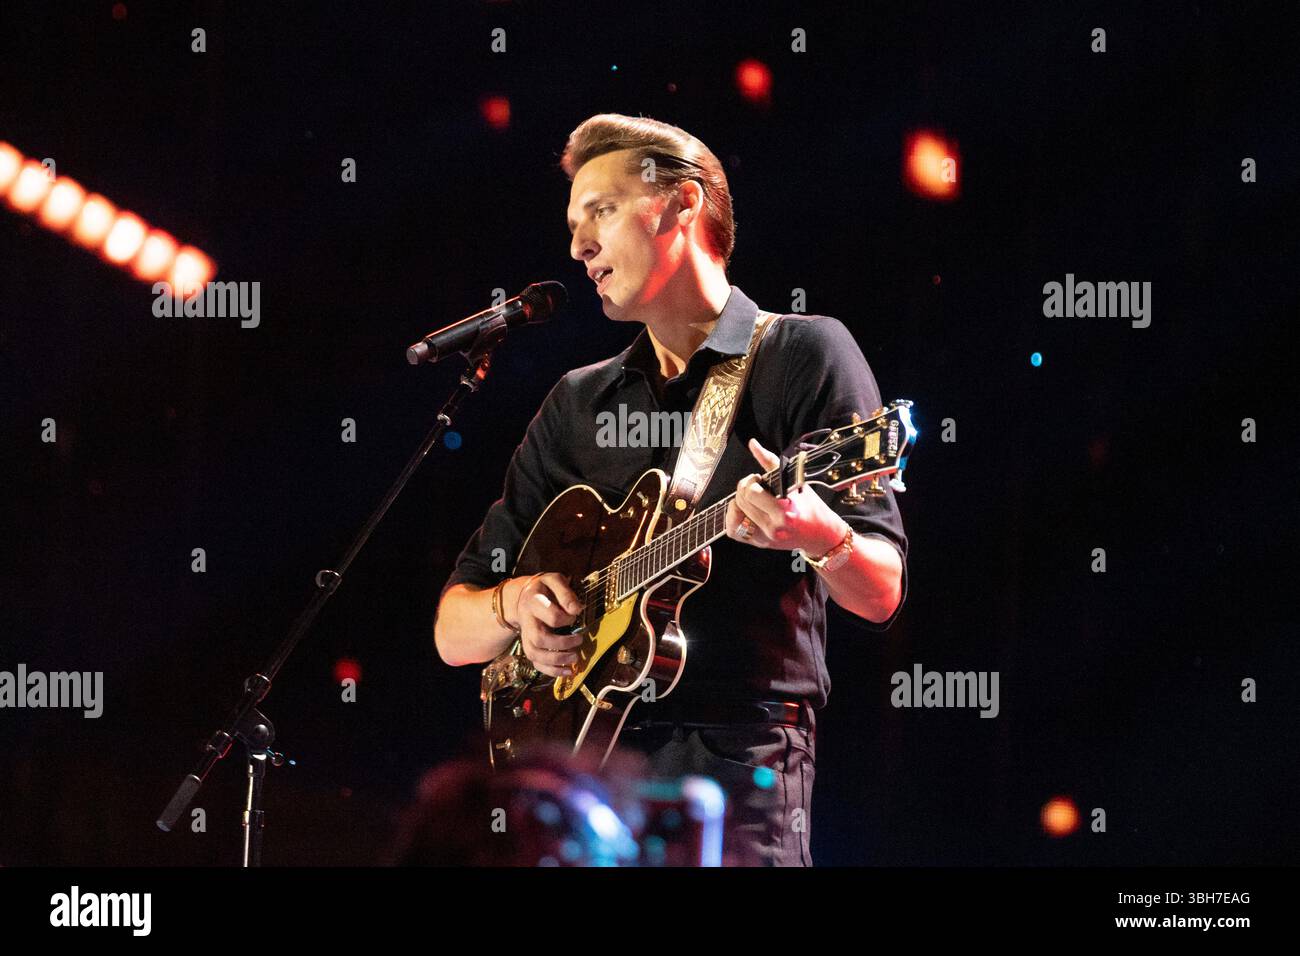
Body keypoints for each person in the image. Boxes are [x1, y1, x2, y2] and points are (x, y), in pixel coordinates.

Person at [434, 113, 907, 866]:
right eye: (572, 221)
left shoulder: (804, 353)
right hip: (579, 787)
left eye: (602, 209)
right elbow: (453, 632)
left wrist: (816, 535)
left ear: (682, 205)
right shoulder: (577, 402)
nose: (577, 244)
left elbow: (880, 593)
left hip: (734, 763)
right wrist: (517, 604)